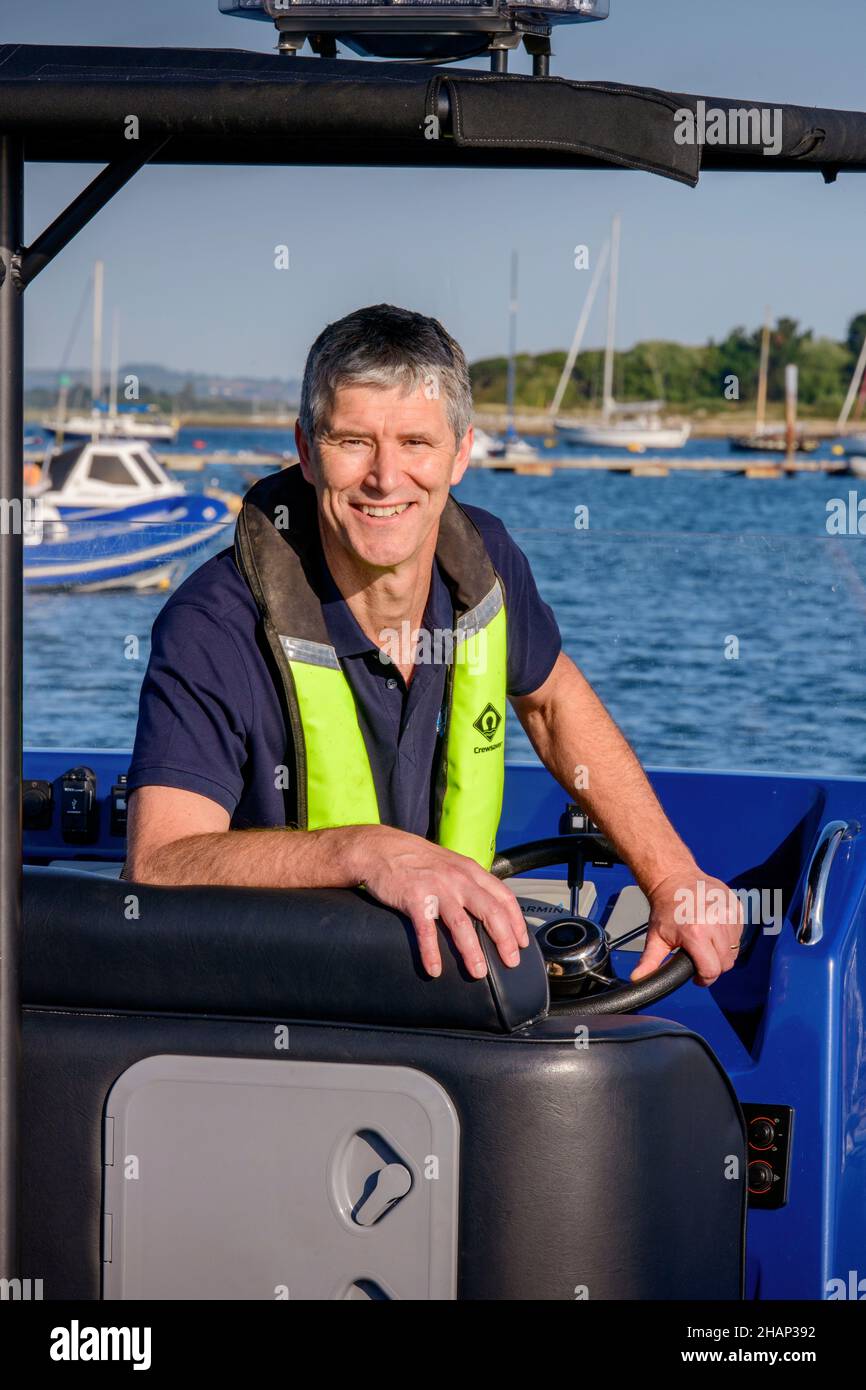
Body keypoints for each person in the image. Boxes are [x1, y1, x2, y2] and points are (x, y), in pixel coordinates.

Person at [125, 303, 741, 983]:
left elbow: (552, 702)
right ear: (306, 451)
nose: (385, 479)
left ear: (461, 454)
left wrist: (673, 876)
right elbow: (159, 864)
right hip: (281, 1004)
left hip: (446, 990)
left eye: (415, 443)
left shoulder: (488, 563)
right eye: (353, 441)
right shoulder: (212, 623)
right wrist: (360, 853)